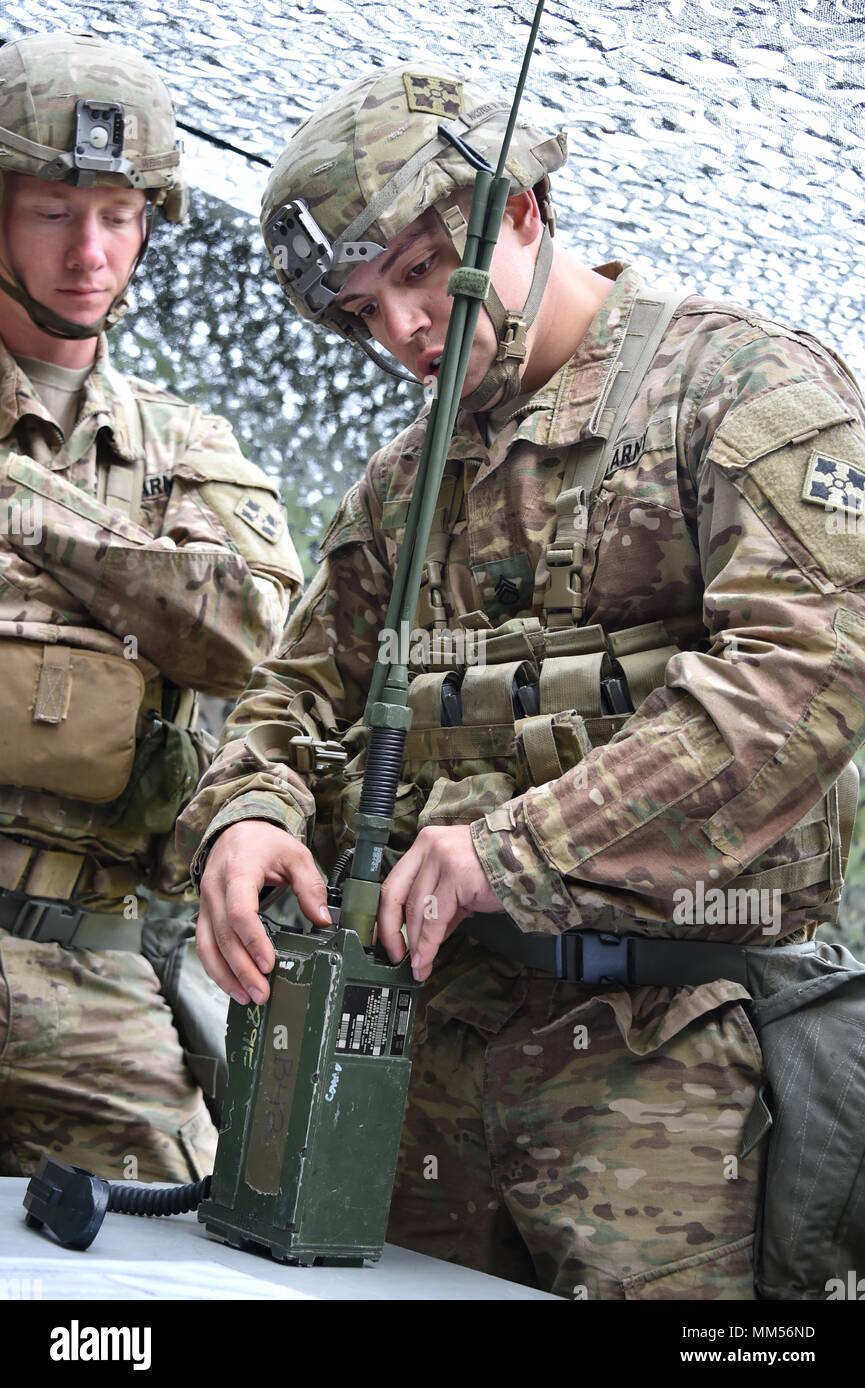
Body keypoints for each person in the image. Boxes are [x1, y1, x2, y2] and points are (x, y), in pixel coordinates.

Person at [177, 64, 865, 1297]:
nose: (396, 329)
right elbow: (292, 696)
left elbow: (808, 673)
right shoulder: (403, 487)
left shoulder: (738, 391)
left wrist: (517, 846)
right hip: (418, 1068)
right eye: (355, 308)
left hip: (669, 1072)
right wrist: (247, 814)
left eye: (415, 272)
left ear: (522, 213)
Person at [0, 31, 303, 1184]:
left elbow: (242, 635)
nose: (92, 251)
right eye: (53, 211)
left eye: (121, 214)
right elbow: (186, 608)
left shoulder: (187, 443)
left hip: (97, 970)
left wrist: (31, 515)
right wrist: (138, 579)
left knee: (159, 1268)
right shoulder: (172, 487)